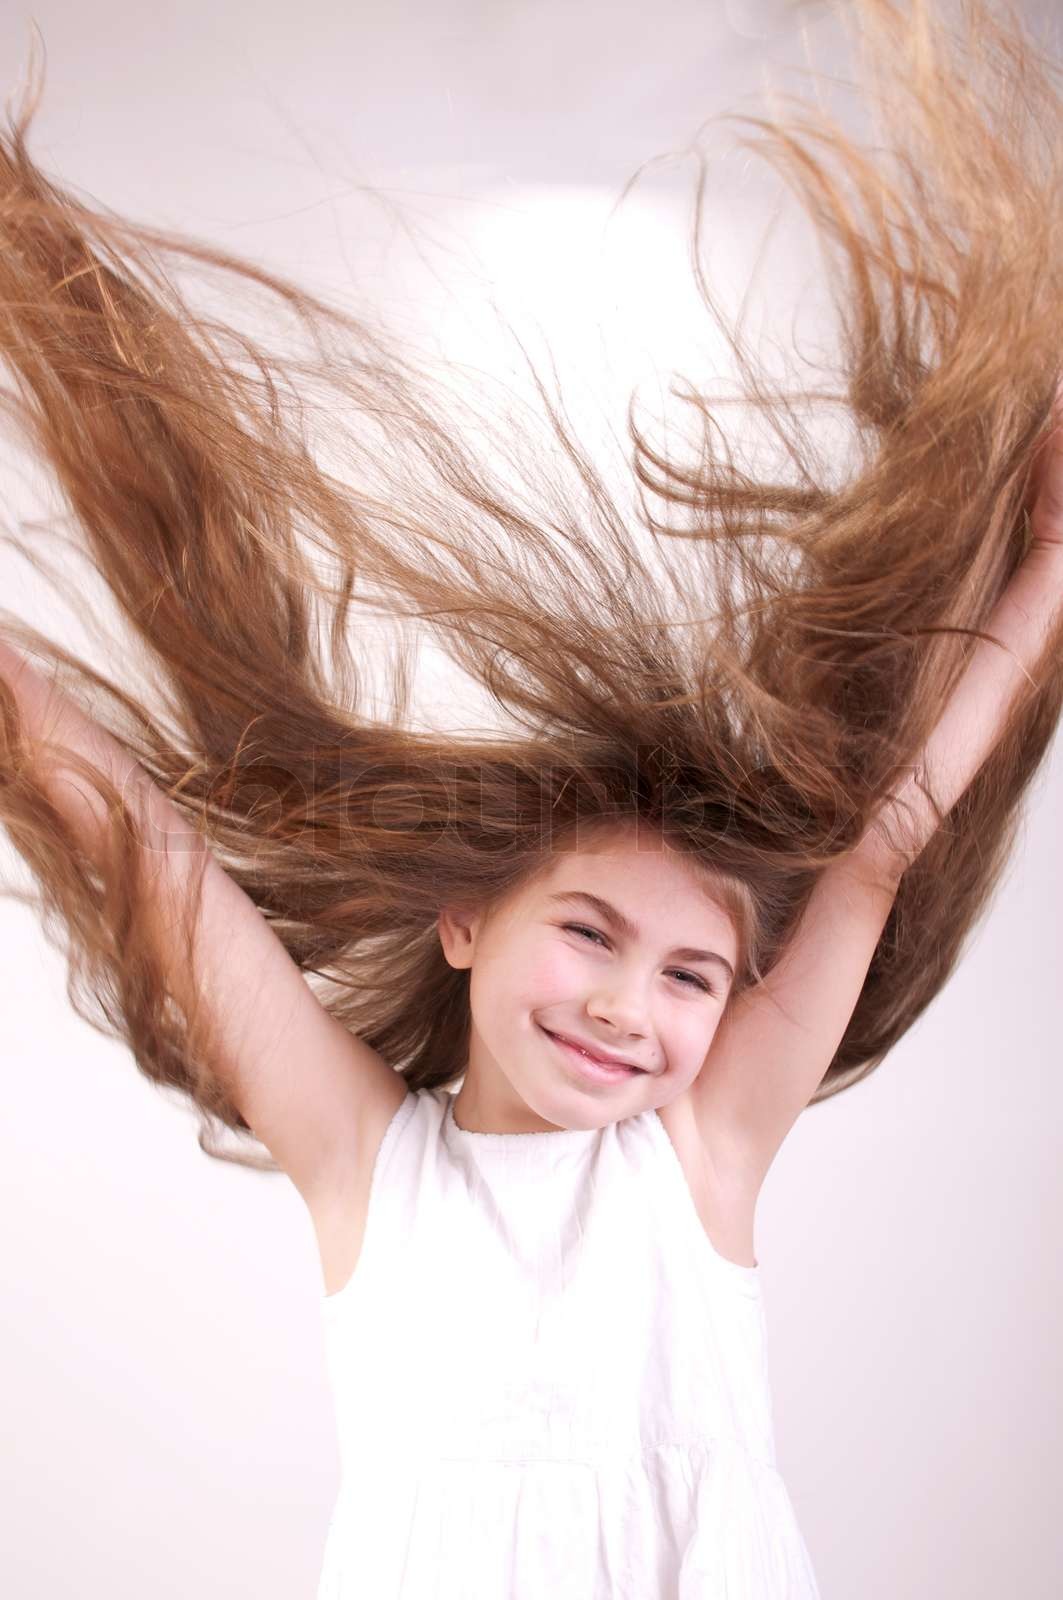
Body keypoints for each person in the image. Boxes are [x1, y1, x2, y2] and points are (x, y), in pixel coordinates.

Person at [1, 1, 1062, 1594]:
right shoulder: (369, 1164)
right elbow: (151, 851)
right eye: (589, 933)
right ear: (462, 924)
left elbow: (884, 845)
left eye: (692, 973)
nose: (632, 1007)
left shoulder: (707, 1148)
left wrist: (1047, 569)